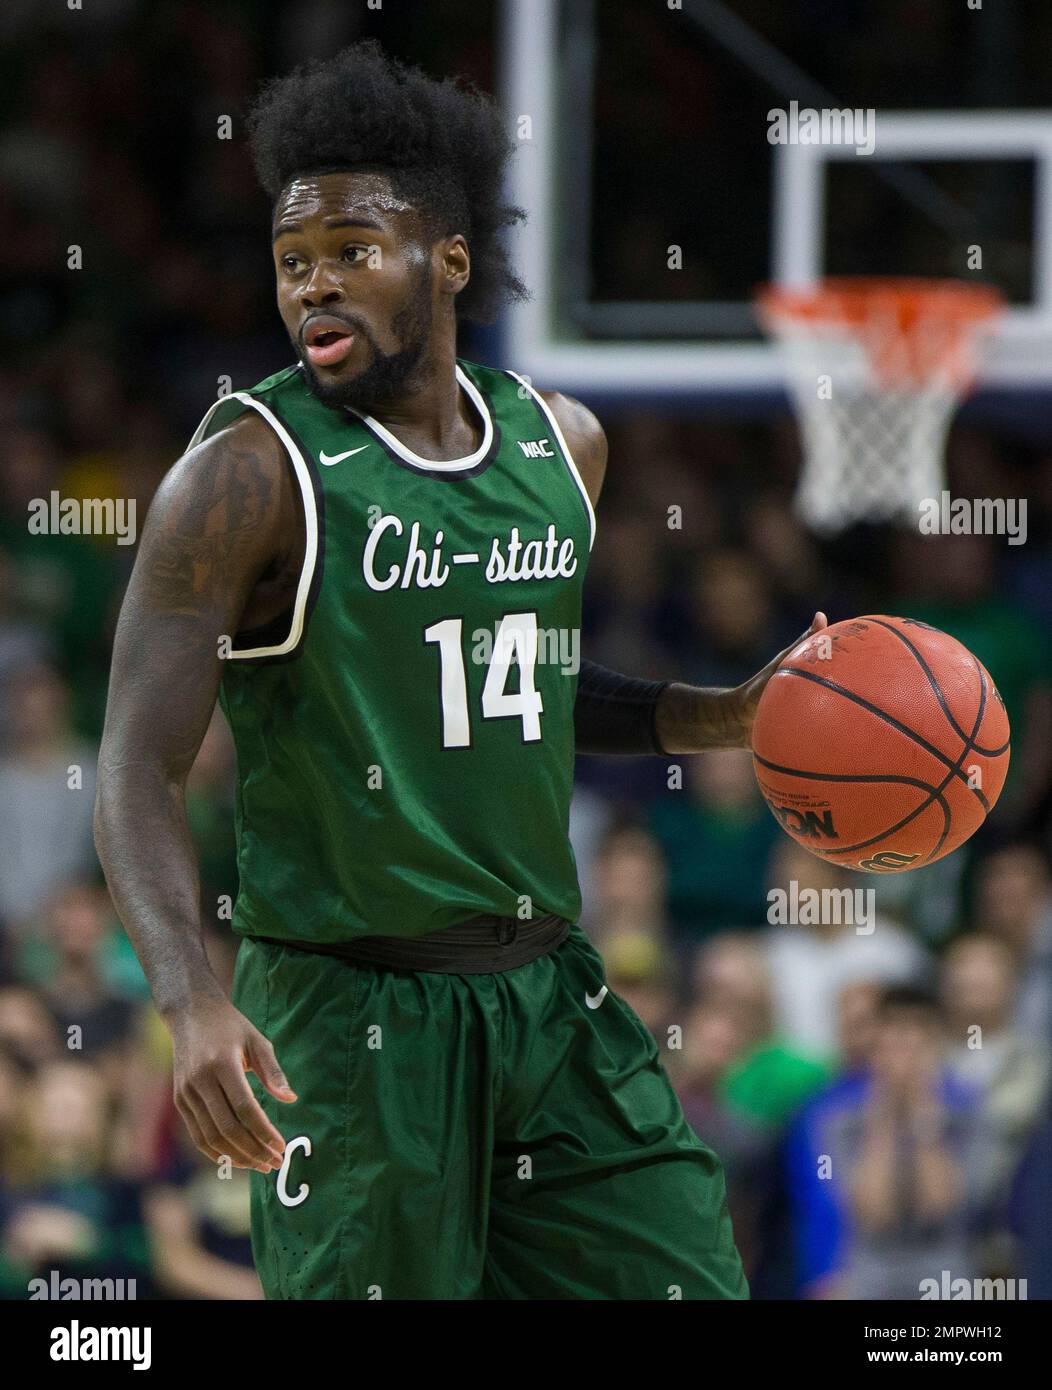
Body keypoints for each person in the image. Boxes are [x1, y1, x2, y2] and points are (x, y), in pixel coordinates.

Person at [94, 41, 824, 1301]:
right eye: (291, 262)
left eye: (350, 252)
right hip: (351, 1014)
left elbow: (519, 679)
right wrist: (189, 997)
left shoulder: (563, 443)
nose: (314, 284)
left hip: (551, 992)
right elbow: (133, 765)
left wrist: (724, 713)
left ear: (448, 258)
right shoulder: (246, 474)